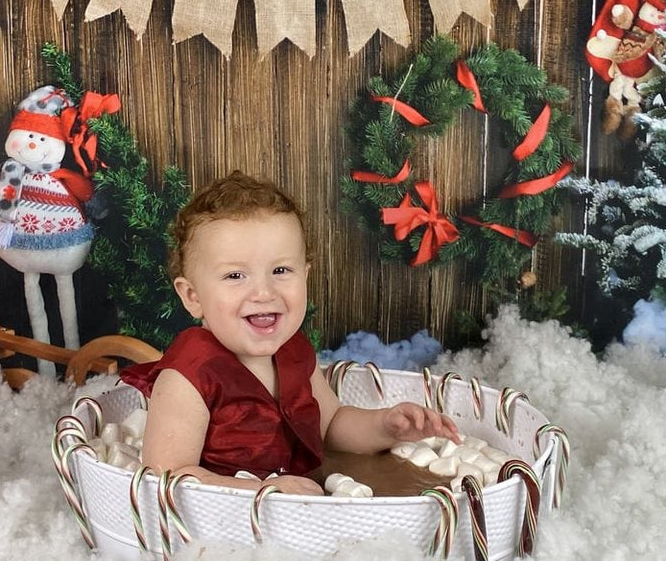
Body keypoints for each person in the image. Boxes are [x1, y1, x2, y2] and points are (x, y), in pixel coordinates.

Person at [121, 170, 460, 495]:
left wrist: (386, 426)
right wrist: (261, 491)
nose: (264, 292)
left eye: (281, 270)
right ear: (193, 297)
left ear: (306, 275)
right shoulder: (188, 376)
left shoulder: (294, 352)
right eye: (235, 276)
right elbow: (167, 477)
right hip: (229, 524)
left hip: (303, 510)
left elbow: (332, 426)